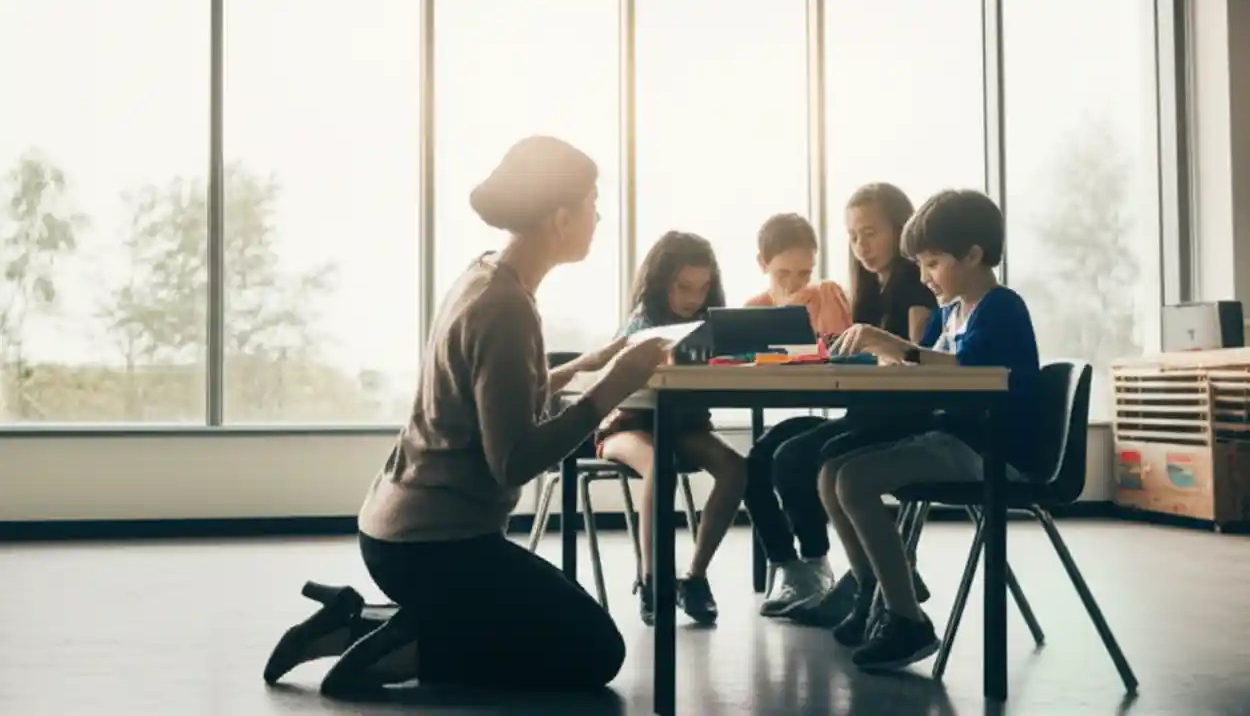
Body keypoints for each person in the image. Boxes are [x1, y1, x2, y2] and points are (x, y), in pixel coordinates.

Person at [261, 136, 670, 697]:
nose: (598, 218)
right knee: (596, 649)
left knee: (554, 624)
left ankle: (354, 624)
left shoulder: (484, 278)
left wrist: (584, 366)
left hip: (395, 534)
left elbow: (488, 395)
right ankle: (403, 651)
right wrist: (611, 387)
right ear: (560, 218)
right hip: (437, 547)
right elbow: (513, 460)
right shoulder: (507, 309)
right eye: (593, 203)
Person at [822, 189, 1040, 671]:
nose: (923, 277)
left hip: (993, 451)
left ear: (974, 256)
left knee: (853, 480)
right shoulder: (950, 312)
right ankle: (874, 592)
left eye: (933, 263)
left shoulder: (1001, 307)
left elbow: (966, 370)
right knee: (831, 471)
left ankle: (906, 619)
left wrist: (895, 347)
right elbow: (930, 371)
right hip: (956, 439)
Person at [744, 185, 937, 622]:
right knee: (764, 453)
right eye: (853, 236)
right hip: (866, 411)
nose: (861, 246)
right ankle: (804, 570)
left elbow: (916, 362)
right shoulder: (870, 289)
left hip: (900, 418)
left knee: (795, 456)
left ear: (901, 229)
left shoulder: (914, 289)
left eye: (870, 233)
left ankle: (851, 571)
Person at [597, 231, 749, 626]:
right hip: (628, 425)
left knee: (735, 469)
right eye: (684, 286)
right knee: (657, 462)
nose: (693, 298)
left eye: (702, 287)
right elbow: (620, 392)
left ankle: (694, 577)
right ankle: (654, 580)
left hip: (683, 425)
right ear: (661, 281)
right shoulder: (641, 322)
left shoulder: (710, 324)